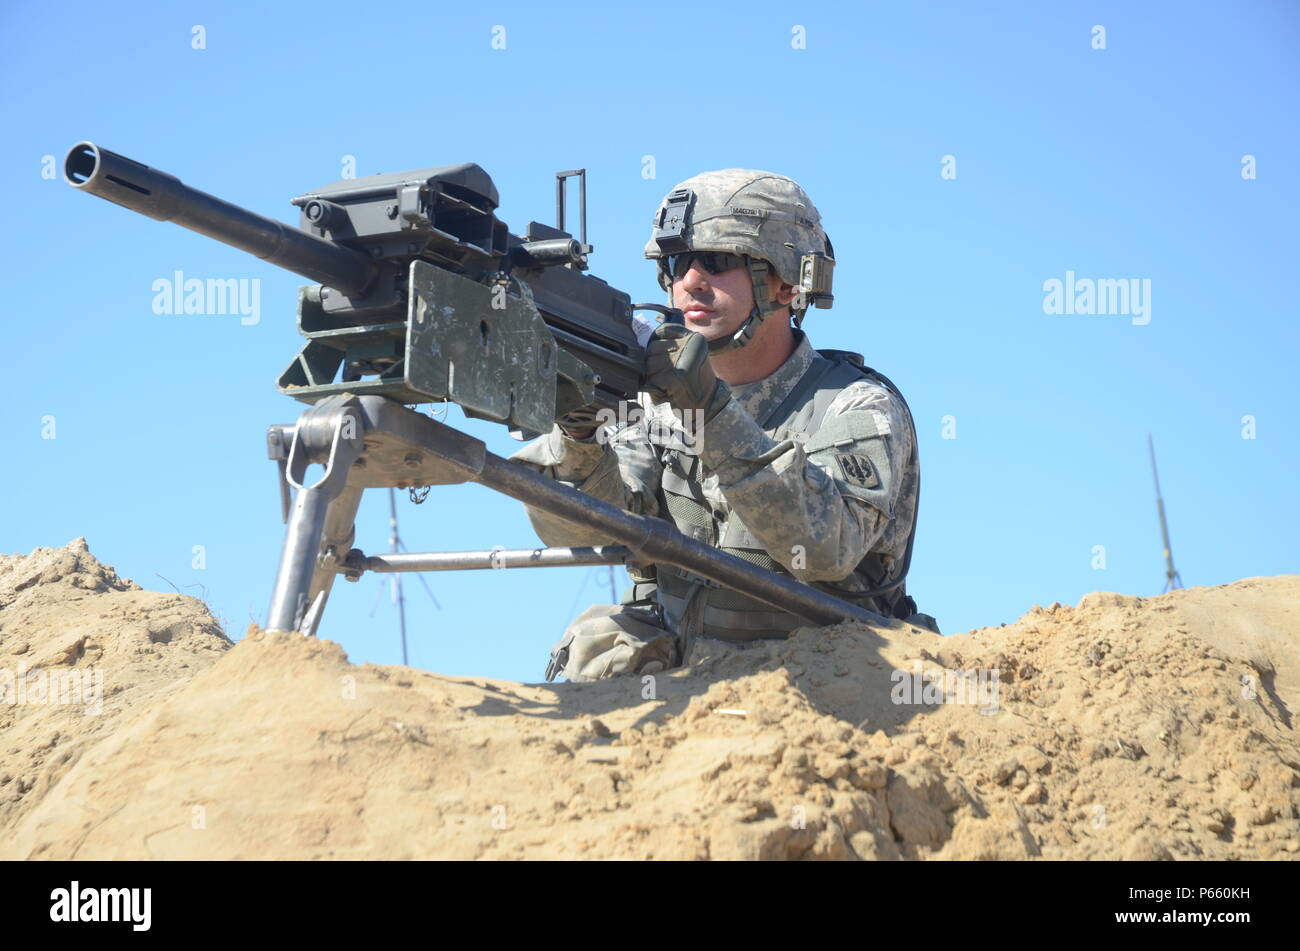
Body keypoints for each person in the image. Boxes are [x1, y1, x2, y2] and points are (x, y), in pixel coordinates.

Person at [511, 169, 934, 682]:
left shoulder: (855, 407)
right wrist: (580, 437)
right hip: (681, 692)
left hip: (816, 692)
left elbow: (827, 547)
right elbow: (577, 531)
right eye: (677, 263)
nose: (689, 281)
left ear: (784, 281)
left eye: (716, 261)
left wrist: (710, 413)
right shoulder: (653, 410)